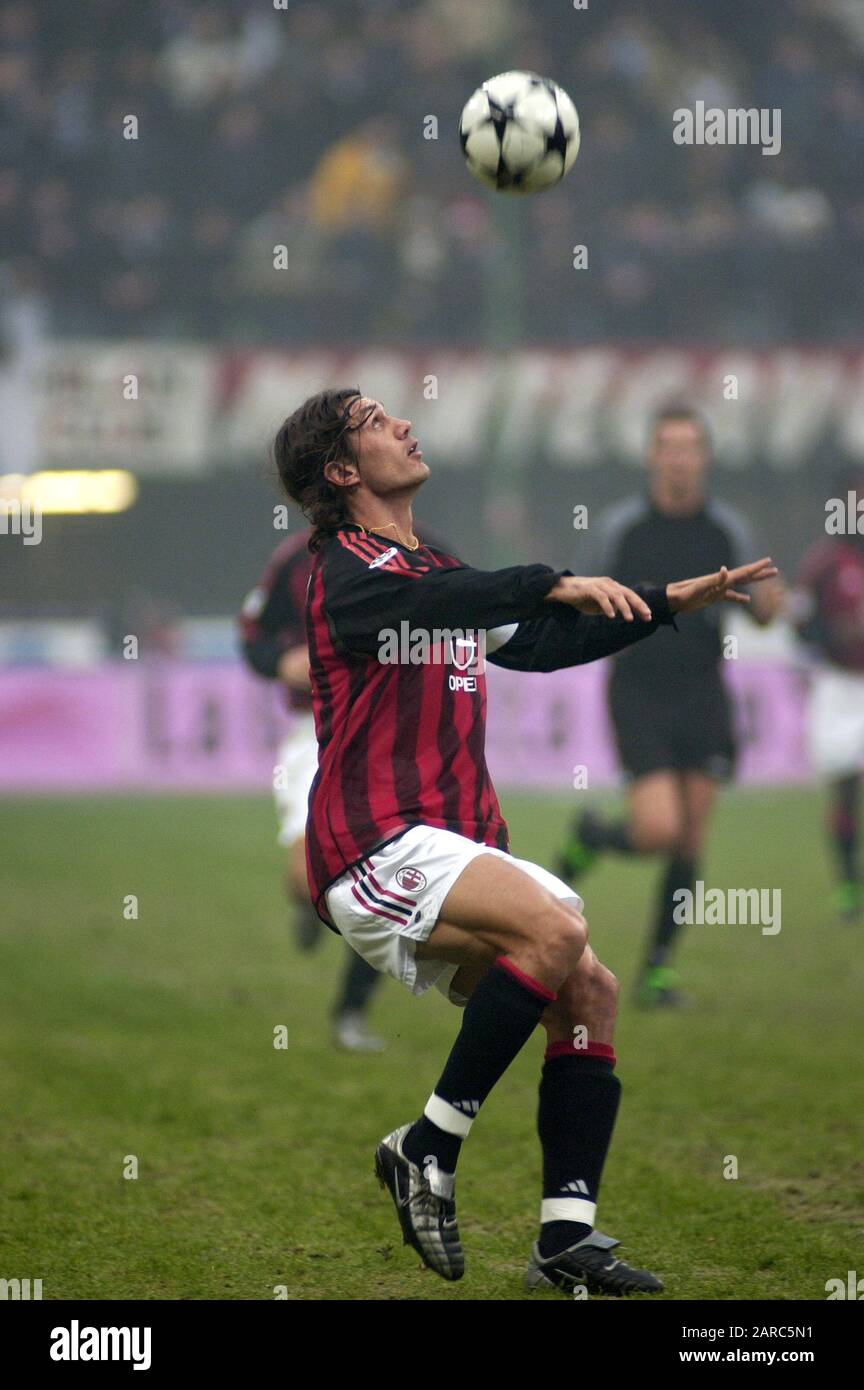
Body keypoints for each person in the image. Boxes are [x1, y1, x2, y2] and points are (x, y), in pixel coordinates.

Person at [273, 386, 775, 1296]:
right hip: (374, 846)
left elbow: (537, 644)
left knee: (589, 990)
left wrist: (665, 604)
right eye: (381, 422)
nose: (406, 425)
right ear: (343, 472)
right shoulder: (345, 572)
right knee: (556, 932)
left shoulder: (437, 566)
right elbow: (469, 597)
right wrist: (548, 573)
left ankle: (565, 1239)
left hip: (448, 842)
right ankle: (426, 1144)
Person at [557, 405, 784, 1007]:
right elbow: (579, 592)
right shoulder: (621, 528)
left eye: (690, 447)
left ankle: (658, 970)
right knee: (660, 829)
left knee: (690, 839)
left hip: (704, 691)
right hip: (638, 691)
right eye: (669, 446)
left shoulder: (727, 530)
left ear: (704, 457)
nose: (680, 458)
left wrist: (766, 600)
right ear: (652, 455)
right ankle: (594, 836)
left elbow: (766, 603)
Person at [239, 531, 385, 1052]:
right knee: (307, 880)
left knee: (384, 884)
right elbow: (252, 635)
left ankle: (351, 1011)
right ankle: (309, 903)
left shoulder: (419, 550)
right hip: (315, 736)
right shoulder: (296, 559)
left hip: (390, 735)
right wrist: (281, 663)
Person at [793, 476, 864, 921]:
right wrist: (831, 636)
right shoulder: (823, 563)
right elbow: (801, 627)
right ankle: (848, 888)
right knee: (845, 788)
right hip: (839, 685)